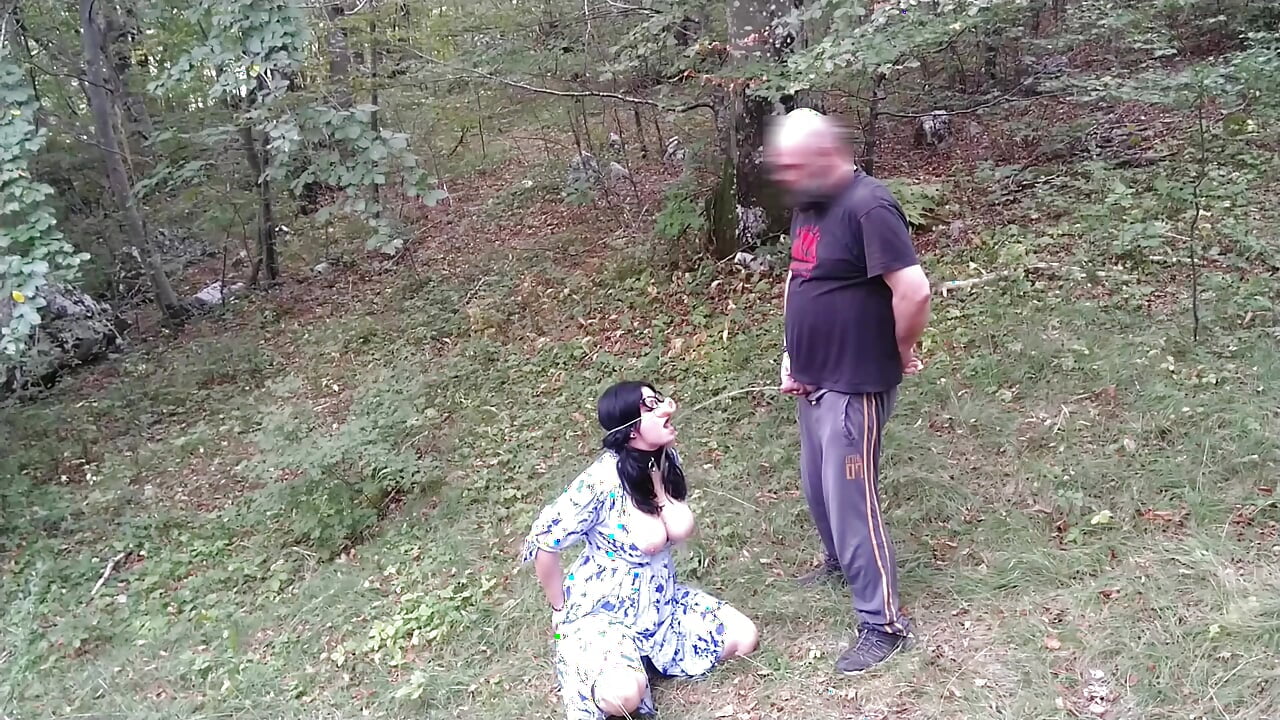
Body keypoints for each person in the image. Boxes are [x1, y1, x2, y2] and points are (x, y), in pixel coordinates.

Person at [764, 108, 932, 674]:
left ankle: (883, 623)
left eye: (794, 166)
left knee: (851, 500)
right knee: (819, 487)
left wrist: (901, 351)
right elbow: (798, 276)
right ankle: (839, 562)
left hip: (854, 382)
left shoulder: (869, 205)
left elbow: (914, 291)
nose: (787, 178)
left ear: (825, 153)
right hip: (812, 378)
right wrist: (792, 354)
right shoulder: (810, 201)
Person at [520, 381, 758, 720]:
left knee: (744, 638)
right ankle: (611, 664)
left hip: (661, 605)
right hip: (605, 613)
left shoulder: (664, 460)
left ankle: (646, 659)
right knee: (622, 697)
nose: (665, 408)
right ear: (631, 429)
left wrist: (658, 483)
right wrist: (560, 608)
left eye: (658, 399)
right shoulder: (601, 481)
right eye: (650, 406)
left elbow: (674, 521)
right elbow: (545, 539)